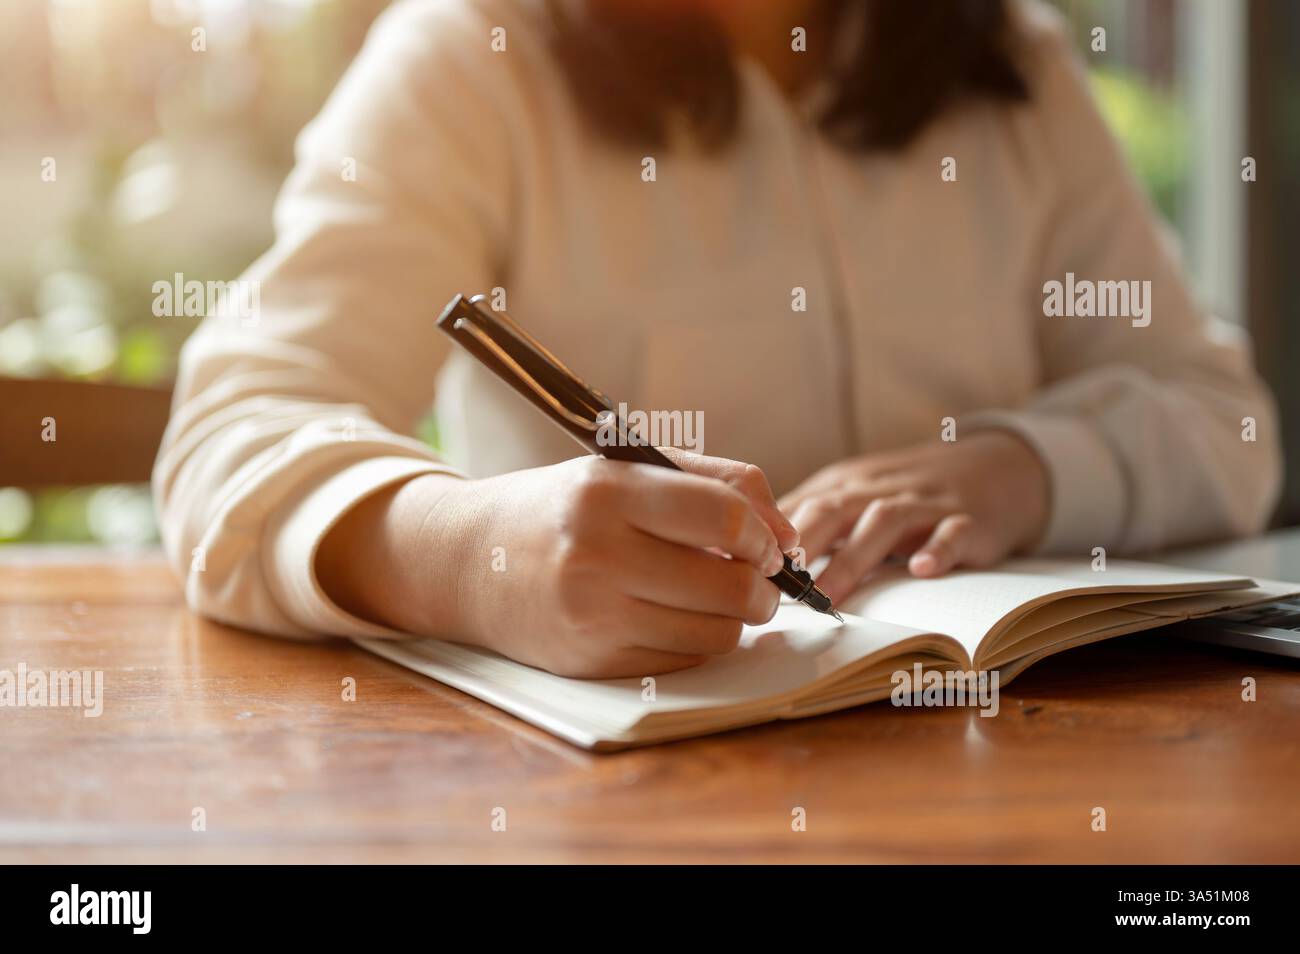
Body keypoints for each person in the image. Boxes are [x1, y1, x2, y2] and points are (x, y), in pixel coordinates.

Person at [154, 0, 1281, 678]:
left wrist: (1026, 469)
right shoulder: (471, 54)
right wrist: (471, 559)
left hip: (1011, 776)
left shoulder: (1014, 69)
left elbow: (1228, 422)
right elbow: (232, 432)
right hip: (612, 799)